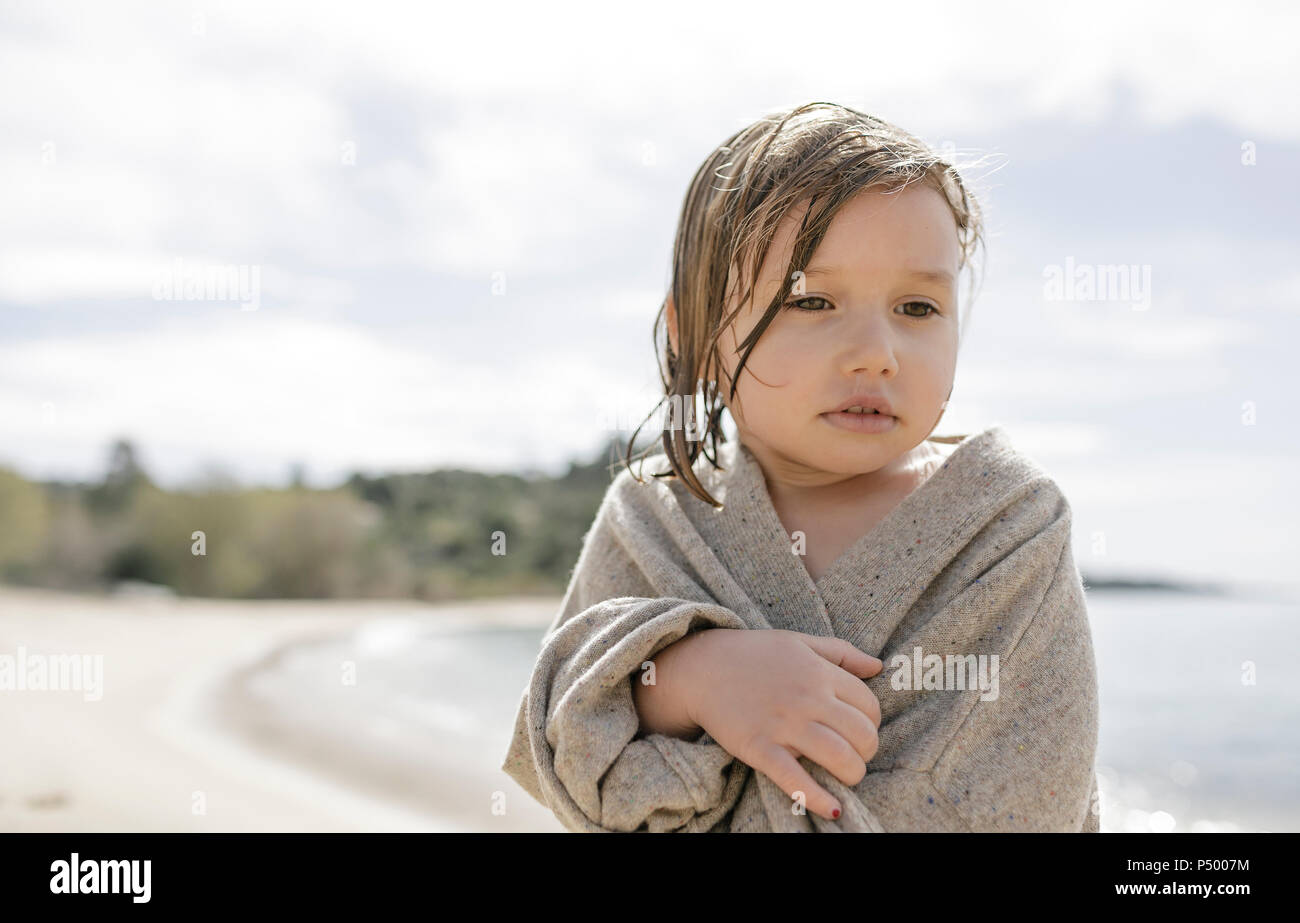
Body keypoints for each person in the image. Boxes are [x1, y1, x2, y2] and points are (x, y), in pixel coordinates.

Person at [501, 101, 1100, 832]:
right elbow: (569, 742)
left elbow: (1025, 794)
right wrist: (692, 676)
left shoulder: (1007, 525)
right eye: (813, 299)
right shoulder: (653, 514)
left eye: (917, 306)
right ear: (696, 334)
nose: (878, 351)